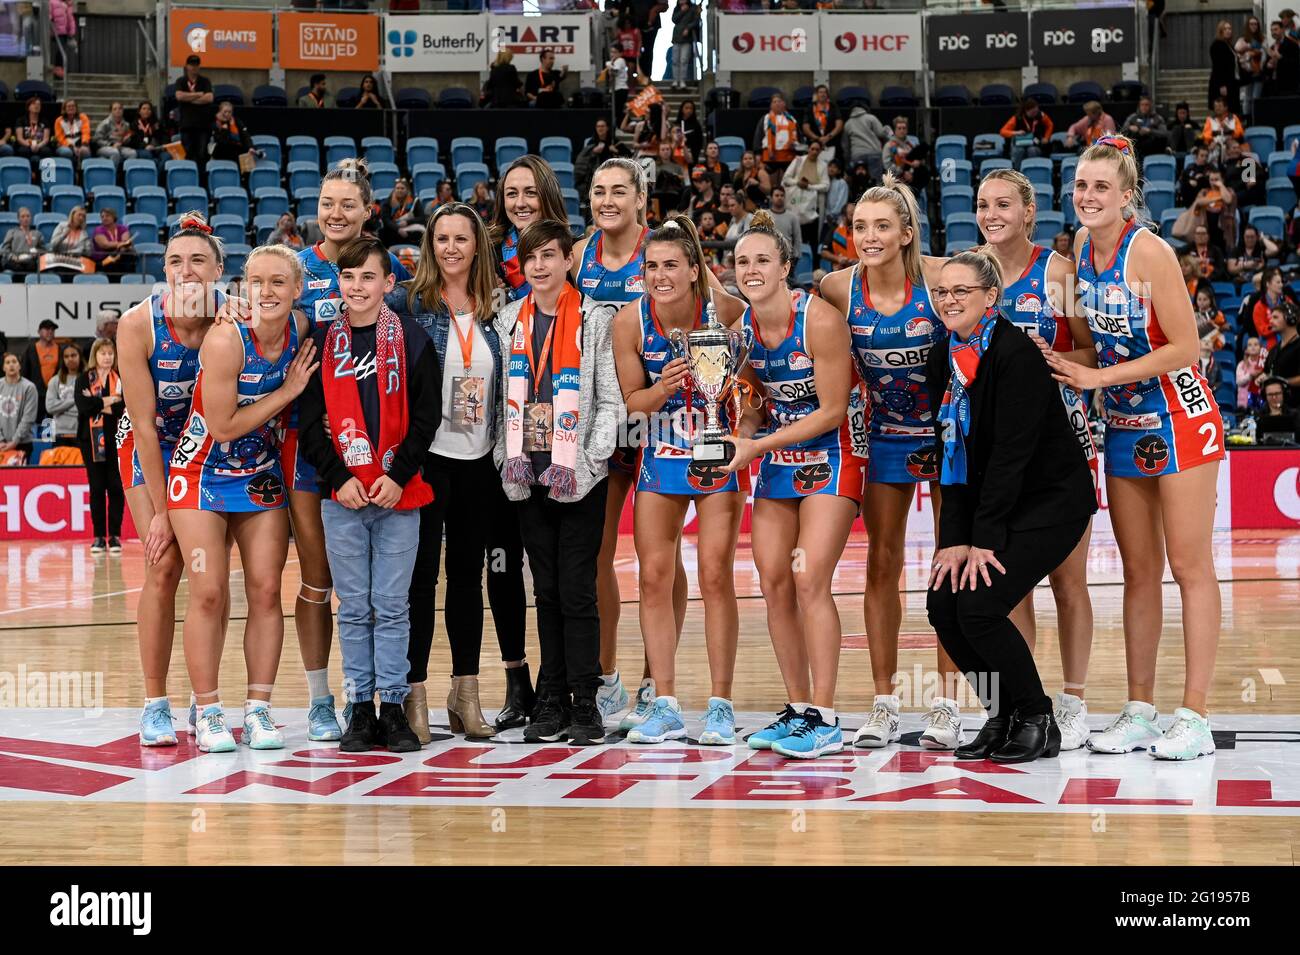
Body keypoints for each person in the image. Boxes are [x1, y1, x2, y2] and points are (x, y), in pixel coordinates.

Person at [1046, 135, 1225, 760]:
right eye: (1080, 186)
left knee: (1191, 567)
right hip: (1124, 423)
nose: (1088, 196)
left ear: (1127, 196)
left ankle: (1196, 716)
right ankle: (1141, 708)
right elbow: (1097, 349)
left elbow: (1186, 347)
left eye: (1101, 187)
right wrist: (1049, 362)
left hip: (1181, 416)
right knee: (1138, 571)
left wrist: (1097, 378)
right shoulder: (1078, 260)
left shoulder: (1148, 252)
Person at [925, 251, 1097, 764]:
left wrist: (984, 541)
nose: (949, 300)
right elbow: (948, 452)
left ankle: (1037, 716)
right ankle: (1001, 715)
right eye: (942, 292)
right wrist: (953, 541)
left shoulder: (1016, 352)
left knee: (978, 605)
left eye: (962, 292)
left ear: (990, 298)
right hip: (991, 507)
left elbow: (1010, 456)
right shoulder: (942, 358)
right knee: (942, 604)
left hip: (1050, 502)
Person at [820, 176, 959, 749]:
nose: (869, 237)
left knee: (951, 569)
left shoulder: (942, 278)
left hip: (948, 433)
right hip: (882, 436)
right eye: (860, 227)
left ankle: (948, 705)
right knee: (883, 562)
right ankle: (884, 702)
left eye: (882, 226)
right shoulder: (835, 288)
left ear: (907, 233)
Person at [387, 203, 532, 740]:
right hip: (426, 461)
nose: (451, 248)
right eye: (441, 238)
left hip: (483, 461)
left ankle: (465, 693)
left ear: (478, 247)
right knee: (420, 582)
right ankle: (414, 695)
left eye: (461, 239)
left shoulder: (504, 306)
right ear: (431, 247)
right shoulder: (406, 301)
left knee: (468, 581)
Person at [166, 245, 319, 753]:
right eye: (255, 282)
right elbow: (224, 427)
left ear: (297, 290)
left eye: (278, 282)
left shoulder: (301, 328)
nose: (266, 292)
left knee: (266, 590)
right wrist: (286, 393)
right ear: (242, 287)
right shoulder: (226, 339)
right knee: (208, 591)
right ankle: (207, 710)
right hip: (202, 471)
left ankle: (258, 710)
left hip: (260, 474)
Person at [725, 212, 864, 758]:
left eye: (763, 260)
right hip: (779, 456)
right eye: (742, 262)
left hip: (835, 453)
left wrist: (758, 446)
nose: (752, 270)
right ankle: (799, 708)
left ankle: (827, 716)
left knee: (809, 580)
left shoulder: (820, 321)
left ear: (786, 267)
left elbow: (832, 410)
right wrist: (743, 432)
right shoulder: (740, 334)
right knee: (773, 582)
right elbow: (757, 402)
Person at [611, 215, 752, 746]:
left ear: (696, 270)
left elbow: (753, 382)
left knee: (716, 575)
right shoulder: (629, 322)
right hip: (660, 453)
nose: (659, 275)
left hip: (716, 454)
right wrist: (664, 388)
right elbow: (631, 405)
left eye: (671, 265)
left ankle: (720, 703)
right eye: (651, 266)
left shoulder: (729, 311)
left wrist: (746, 421)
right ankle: (664, 702)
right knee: (653, 577)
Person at [299, 236, 440, 753]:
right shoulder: (319, 342)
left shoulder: (412, 339)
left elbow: (428, 418)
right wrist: (339, 478)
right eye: (348, 276)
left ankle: (394, 706)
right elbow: (309, 424)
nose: (357, 286)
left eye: (367, 277)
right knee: (354, 605)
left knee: (392, 604)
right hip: (343, 498)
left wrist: (399, 474)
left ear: (388, 283)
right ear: (339, 282)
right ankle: (359, 707)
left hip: (400, 494)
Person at [977, 169, 1100, 750]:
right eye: (982, 204)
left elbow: (1090, 348)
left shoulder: (1057, 272)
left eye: (1004, 203)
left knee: (1068, 580)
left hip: (1058, 440)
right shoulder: (969, 272)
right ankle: (1027, 704)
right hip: (998, 446)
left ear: (1029, 212)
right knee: (1012, 585)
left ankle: (1073, 701)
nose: (992, 213)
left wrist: (1047, 357)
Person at [290, 159, 411, 740]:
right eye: (326, 203)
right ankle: (323, 697)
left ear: (368, 211)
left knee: (384, 595)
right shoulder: (292, 269)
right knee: (322, 582)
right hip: (314, 453)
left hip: (385, 464)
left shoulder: (386, 281)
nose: (335, 213)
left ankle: (390, 699)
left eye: (347, 205)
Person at [570, 158, 688, 725]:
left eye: (620, 191)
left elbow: (722, 310)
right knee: (597, 551)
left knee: (659, 558)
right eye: (598, 191)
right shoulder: (578, 255)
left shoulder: (664, 246)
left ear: (642, 199)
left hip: (662, 416)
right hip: (603, 420)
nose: (608, 200)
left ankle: (653, 681)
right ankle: (607, 677)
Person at [497, 219, 622, 745]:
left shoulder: (597, 318)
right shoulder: (509, 321)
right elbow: (499, 399)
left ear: (569, 260)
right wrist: (509, 464)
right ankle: (549, 699)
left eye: (551, 255)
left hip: (579, 480)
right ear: (522, 266)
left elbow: (612, 403)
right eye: (532, 258)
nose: (541, 266)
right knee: (544, 591)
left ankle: (585, 701)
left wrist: (585, 467)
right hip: (528, 477)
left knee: (577, 591)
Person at [115, 213, 225, 746]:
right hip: (150, 442)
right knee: (163, 566)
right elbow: (141, 426)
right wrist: (163, 510)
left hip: (207, 444)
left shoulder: (232, 318)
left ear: (218, 270)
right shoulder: (138, 326)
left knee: (211, 580)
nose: (186, 271)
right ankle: (153, 701)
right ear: (164, 270)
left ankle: (204, 698)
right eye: (176, 262)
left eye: (197, 261)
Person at [490, 155, 569, 304]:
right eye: (512, 194)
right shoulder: (489, 253)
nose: (520, 203)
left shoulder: (574, 251)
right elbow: (491, 313)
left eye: (531, 193)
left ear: (549, 196)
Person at [75, 338, 125, 552]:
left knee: (115, 487)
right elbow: (84, 406)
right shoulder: (84, 379)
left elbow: (123, 407)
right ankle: (98, 536)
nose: (107, 357)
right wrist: (110, 400)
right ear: (95, 355)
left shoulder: (120, 378)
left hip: (116, 438)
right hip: (90, 441)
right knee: (96, 488)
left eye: (110, 353)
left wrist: (101, 403)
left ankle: (114, 536)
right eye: (103, 353)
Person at [783, 139, 829, 250]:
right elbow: (786, 179)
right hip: (796, 204)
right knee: (795, 238)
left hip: (813, 207)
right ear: (808, 149)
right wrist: (797, 183)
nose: (814, 151)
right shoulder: (798, 160)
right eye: (812, 149)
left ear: (820, 152)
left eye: (817, 150)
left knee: (813, 240)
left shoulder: (823, 165)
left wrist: (809, 187)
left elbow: (826, 186)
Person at [175, 56, 214, 176]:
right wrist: (198, 94)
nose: (194, 67)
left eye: (196, 65)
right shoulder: (181, 81)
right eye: (191, 65)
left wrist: (189, 98)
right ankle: (189, 178)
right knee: (188, 153)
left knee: (202, 154)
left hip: (203, 126)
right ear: (187, 66)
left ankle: (201, 180)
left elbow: (209, 98)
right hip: (186, 125)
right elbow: (179, 96)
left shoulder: (205, 81)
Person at [21, 319, 62, 424]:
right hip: (35, 394)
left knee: (50, 423)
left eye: (52, 329)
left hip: (54, 394)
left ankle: (48, 440)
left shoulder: (59, 349)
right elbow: (24, 372)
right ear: (39, 331)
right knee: (35, 422)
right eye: (47, 329)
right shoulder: (31, 349)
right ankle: (36, 441)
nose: (50, 332)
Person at [0, 353, 37, 464]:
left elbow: (28, 418)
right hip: (1, 444)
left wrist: (15, 442)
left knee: (19, 479)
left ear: (19, 366)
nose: (11, 365)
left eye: (14, 362)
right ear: (3, 367)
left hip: (22, 443)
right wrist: (0, 440)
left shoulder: (29, 387)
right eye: (8, 362)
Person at [45, 342, 83, 447]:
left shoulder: (88, 379)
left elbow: (87, 407)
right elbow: (50, 407)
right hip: (59, 434)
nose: (70, 359)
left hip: (81, 433)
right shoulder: (55, 381)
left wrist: (61, 407)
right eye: (66, 356)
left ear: (80, 356)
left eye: (73, 355)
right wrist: (75, 399)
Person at [755, 94, 801, 175]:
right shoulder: (765, 119)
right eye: (774, 102)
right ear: (771, 105)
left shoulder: (792, 119)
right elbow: (758, 137)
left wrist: (799, 153)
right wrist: (758, 154)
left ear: (784, 104)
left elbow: (799, 137)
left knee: (788, 179)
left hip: (788, 155)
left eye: (779, 101)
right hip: (770, 156)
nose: (777, 103)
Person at [1000, 99, 1054, 166]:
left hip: (1034, 143)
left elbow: (1050, 125)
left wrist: (1046, 137)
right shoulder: (1016, 118)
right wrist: (1016, 133)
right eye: (1033, 112)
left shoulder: (1041, 115)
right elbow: (1002, 131)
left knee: (1032, 150)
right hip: (1019, 144)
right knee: (1018, 151)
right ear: (1026, 111)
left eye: (1036, 111)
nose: (1035, 114)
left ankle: (1032, 170)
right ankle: (1017, 172)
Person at [843, 104, 888, 182]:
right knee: (875, 182)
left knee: (859, 182)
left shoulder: (848, 124)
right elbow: (881, 133)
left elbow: (845, 146)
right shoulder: (871, 118)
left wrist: (847, 160)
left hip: (857, 155)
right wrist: (887, 129)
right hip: (874, 153)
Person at [1261, 301, 1300, 389]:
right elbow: (1267, 373)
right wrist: (1263, 378)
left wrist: (1281, 382)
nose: (1270, 321)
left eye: (1275, 317)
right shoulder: (1274, 350)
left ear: (1290, 319)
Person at [1236, 15, 1267, 119]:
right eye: (1251, 24)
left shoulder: (1263, 39)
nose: (1254, 26)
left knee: (1256, 99)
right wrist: (1249, 53)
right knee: (1246, 99)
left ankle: (1256, 121)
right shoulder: (1242, 39)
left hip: (1258, 73)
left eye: (1255, 24)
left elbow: (1264, 54)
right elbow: (1239, 54)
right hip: (1246, 74)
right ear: (1247, 26)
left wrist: (1252, 52)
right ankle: (1247, 123)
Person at [379, 178, 425, 247]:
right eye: (397, 188)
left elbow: (422, 218)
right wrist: (398, 229)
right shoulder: (388, 202)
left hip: (410, 229)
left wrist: (407, 222)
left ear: (407, 190)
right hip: (394, 229)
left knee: (420, 233)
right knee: (384, 232)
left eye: (402, 188)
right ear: (394, 190)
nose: (400, 190)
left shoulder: (414, 202)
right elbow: (386, 220)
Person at [802, 84, 843, 162]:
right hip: (815, 145)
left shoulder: (833, 107)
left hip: (831, 143)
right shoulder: (809, 108)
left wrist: (828, 137)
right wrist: (817, 138)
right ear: (816, 95)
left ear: (827, 95)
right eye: (820, 92)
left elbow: (839, 124)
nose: (822, 94)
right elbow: (805, 127)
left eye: (825, 92)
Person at [1200, 96, 1244, 165]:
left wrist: (1227, 129)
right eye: (1216, 106)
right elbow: (1206, 135)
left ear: (1226, 107)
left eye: (1220, 106)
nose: (1217, 108)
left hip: (1232, 145)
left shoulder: (1233, 118)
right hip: (1215, 146)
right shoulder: (1210, 119)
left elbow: (1240, 133)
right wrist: (1214, 140)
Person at [1, 206, 45, 272]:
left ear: (31, 218)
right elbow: (4, 249)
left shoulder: (37, 234)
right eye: (23, 216)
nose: (26, 219)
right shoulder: (12, 232)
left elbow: (43, 249)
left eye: (28, 216)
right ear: (18, 219)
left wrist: (36, 252)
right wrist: (12, 256)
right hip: (15, 260)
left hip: (31, 262)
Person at [1209, 20, 1240, 113]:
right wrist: (1222, 85)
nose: (1228, 31)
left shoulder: (1228, 45)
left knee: (1232, 111)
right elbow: (1218, 67)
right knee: (1224, 111)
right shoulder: (1217, 45)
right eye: (1225, 29)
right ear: (1220, 31)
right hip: (1223, 84)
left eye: (1230, 28)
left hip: (1231, 82)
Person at [92, 207, 135, 274]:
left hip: (120, 256)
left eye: (107, 216)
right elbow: (105, 245)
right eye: (102, 217)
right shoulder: (98, 230)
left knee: (128, 253)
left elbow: (125, 242)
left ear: (114, 217)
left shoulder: (122, 228)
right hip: (104, 259)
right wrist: (120, 244)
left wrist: (122, 247)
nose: (104, 218)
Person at [94, 102, 135, 168]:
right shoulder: (105, 123)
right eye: (115, 109)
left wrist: (126, 140)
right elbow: (97, 139)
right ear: (111, 111)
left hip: (120, 147)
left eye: (120, 109)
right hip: (105, 147)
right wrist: (111, 144)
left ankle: (126, 175)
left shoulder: (126, 124)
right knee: (115, 152)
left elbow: (127, 140)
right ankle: (113, 175)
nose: (118, 111)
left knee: (132, 153)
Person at [127, 101, 167, 169]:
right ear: (139, 111)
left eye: (149, 109)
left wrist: (163, 145)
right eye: (144, 108)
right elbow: (133, 141)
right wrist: (145, 146)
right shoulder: (134, 124)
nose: (146, 111)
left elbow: (164, 136)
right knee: (147, 155)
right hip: (141, 148)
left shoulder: (156, 123)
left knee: (167, 156)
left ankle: (157, 176)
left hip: (157, 148)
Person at [670, 0, 700, 90]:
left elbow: (696, 21)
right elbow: (674, 19)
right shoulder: (677, 9)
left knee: (684, 60)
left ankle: (682, 80)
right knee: (675, 60)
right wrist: (682, 11)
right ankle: (675, 80)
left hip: (687, 39)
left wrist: (688, 28)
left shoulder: (693, 8)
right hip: (676, 37)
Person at [14, 95, 53, 164]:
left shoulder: (45, 121)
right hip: (26, 144)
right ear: (28, 107)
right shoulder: (21, 120)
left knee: (46, 151)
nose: (36, 106)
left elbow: (46, 139)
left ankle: (43, 172)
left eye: (38, 104)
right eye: (34, 104)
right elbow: (19, 138)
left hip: (40, 145)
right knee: (23, 151)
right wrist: (29, 145)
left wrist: (38, 146)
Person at [53, 98, 92, 167]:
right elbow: (60, 137)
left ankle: (84, 173)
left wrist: (83, 144)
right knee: (67, 152)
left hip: (80, 144)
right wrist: (71, 146)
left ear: (76, 108)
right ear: (64, 109)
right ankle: (71, 173)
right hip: (64, 145)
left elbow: (86, 132)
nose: (71, 108)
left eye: (73, 106)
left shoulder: (83, 117)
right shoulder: (59, 120)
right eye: (69, 106)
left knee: (85, 151)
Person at [820, 200, 856, 271]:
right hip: (840, 271)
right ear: (844, 217)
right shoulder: (835, 230)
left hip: (859, 270)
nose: (855, 218)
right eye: (852, 215)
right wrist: (838, 259)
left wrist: (860, 261)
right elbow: (824, 252)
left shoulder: (864, 231)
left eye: (856, 214)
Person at [599, 44, 630, 123]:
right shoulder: (614, 62)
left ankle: (622, 125)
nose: (612, 54)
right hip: (615, 89)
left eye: (615, 52)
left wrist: (609, 65)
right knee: (616, 110)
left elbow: (615, 70)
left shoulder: (620, 60)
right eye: (611, 52)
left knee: (618, 110)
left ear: (620, 53)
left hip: (621, 89)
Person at [1237, 336, 1266, 409]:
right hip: (1244, 402)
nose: (1253, 347)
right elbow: (1239, 382)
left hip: (1261, 400)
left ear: (1260, 348)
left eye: (1256, 344)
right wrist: (1250, 375)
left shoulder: (1264, 364)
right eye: (1250, 345)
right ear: (1246, 349)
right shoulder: (1242, 364)